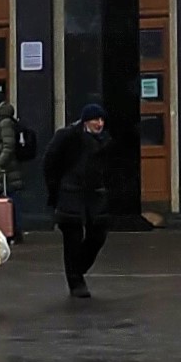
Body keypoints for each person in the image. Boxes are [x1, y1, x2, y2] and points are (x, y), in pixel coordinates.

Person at [38, 99, 113, 299]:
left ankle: (78, 269)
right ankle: (76, 281)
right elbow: (50, 161)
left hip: (95, 195)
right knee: (72, 237)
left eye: (101, 119)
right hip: (70, 193)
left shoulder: (104, 140)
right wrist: (56, 188)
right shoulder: (67, 136)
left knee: (98, 235)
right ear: (86, 121)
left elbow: (108, 167)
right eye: (95, 120)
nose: (99, 124)